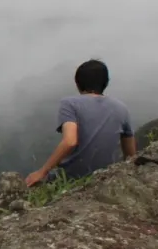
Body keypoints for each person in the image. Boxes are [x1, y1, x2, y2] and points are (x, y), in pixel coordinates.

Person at [25, 59, 136, 188]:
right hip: (106, 178)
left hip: (70, 178)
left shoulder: (69, 104)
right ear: (106, 82)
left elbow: (70, 141)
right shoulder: (121, 108)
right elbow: (130, 156)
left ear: (78, 83)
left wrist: (42, 172)